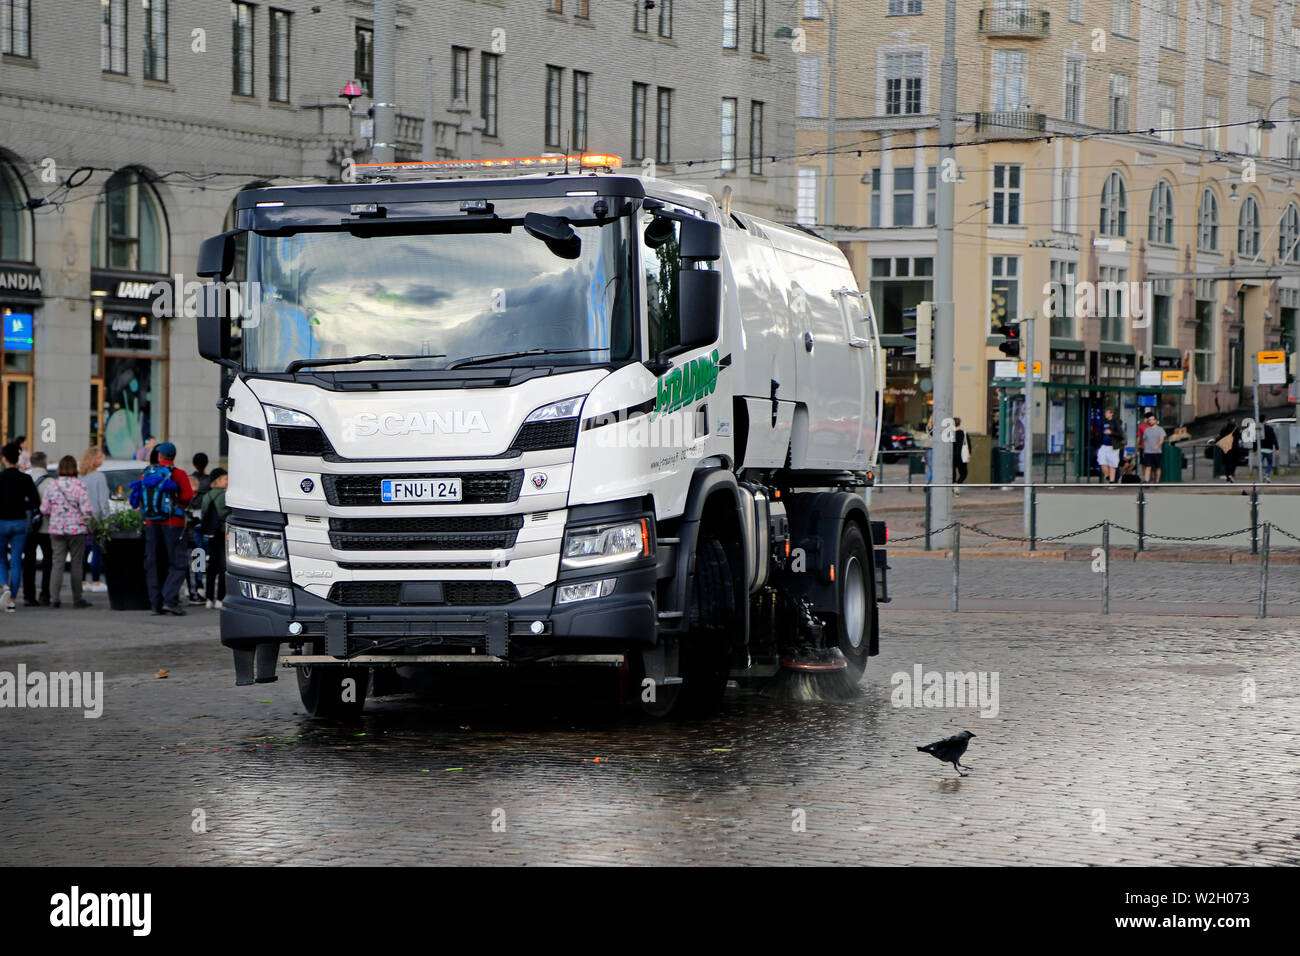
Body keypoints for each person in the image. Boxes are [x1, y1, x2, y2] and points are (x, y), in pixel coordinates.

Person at [132, 441, 194, 616]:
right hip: (173, 523)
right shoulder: (179, 473)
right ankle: (170, 600)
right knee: (178, 563)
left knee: (153, 563)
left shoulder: (147, 473)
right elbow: (187, 496)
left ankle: (155, 604)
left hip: (151, 523)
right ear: (173, 456)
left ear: (159, 456)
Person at [41, 455, 94, 609]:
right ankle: (77, 598)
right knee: (76, 564)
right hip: (77, 529)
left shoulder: (52, 485)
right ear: (74, 468)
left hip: (57, 529)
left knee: (57, 563)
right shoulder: (80, 485)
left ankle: (55, 599)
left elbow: (44, 509)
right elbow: (86, 510)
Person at [0, 442, 40, 613]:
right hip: (20, 522)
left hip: (1, 522)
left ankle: (4, 586)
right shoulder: (26, 479)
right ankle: (12, 600)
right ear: (17, 459)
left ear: (3, 459)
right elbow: (35, 502)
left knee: (1, 558)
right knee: (16, 561)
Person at [22, 450, 52, 606]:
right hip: (46, 526)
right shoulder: (50, 482)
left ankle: (28, 594)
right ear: (45, 464)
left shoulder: (24, 478)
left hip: (28, 526)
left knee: (29, 560)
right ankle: (45, 594)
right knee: (48, 561)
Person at [79, 447, 111, 592]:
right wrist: (106, 520)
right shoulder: (100, 477)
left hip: (81, 518)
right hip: (96, 518)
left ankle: (82, 581)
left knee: (83, 552)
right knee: (97, 550)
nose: (102, 459)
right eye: (99, 457)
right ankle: (96, 581)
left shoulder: (80, 477)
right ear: (93, 460)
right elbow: (102, 501)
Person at [200, 467, 230, 608]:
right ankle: (220, 598)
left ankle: (208, 598)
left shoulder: (207, 496)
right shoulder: (225, 496)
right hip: (223, 533)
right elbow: (228, 514)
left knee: (212, 566)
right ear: (218, 481)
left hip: (210, 533)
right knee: (223, 566)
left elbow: (204, 513)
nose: (228, 481)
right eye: (225, 478)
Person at [1141, 413, 1166, 484]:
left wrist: (1158, 445)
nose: (1151, 421)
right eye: (1149, 420)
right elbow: (1144, 441)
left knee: (1157, 467)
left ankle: (1157, 481)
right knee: (1148, 467)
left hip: (1157, 452)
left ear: (1155, 420)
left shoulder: (1160, 429)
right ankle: (1146, 481)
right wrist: (1144, 450)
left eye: (1152, 420)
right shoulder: (1146, 430)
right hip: (1148, 452)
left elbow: (1162, 439)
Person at [1097, 407, 1120, 483]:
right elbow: (1100, 432)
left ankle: (1112, 481)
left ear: (1111, 414)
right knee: (1101, 461)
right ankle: (1107, 475)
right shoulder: (1104, 422)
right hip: (1104, 445)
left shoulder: (1116, 422)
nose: (1106, 414)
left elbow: (1120, 434)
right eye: (1105, 413)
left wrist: (1111, 433)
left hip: (1113, 445)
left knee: (1112, 464)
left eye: (1107, 413)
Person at [1218, 417, 1243, 482]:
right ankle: (1231, 474)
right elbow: (1239, 437)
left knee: (1227, 463)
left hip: (1226, 448)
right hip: (1234, 448)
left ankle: (1228, 476)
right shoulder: (1236, 429)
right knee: (1234, 462)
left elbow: (1221, 437)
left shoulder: (1224, 429)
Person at [951, 417, 971, 496]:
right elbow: (969, 445)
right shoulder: (964, 433)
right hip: (961, 456)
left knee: (953, 474)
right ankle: (957, 485)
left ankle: (954, 486)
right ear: (960, 423)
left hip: (952, 456)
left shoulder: (950, 433)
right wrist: (969, 454)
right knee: (964, 473)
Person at [1259, 415, 1279, 482]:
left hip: (1261, 449)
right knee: (1270, 463)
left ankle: (1261, 476)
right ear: (1265, 420)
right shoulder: (1270, 429)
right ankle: (1266, 474)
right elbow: (1274, 438)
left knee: (1260, 463)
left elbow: (1255, 440)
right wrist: (1277, 448)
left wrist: (1255, 449)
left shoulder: (1258, 429)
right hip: (1269, 449)